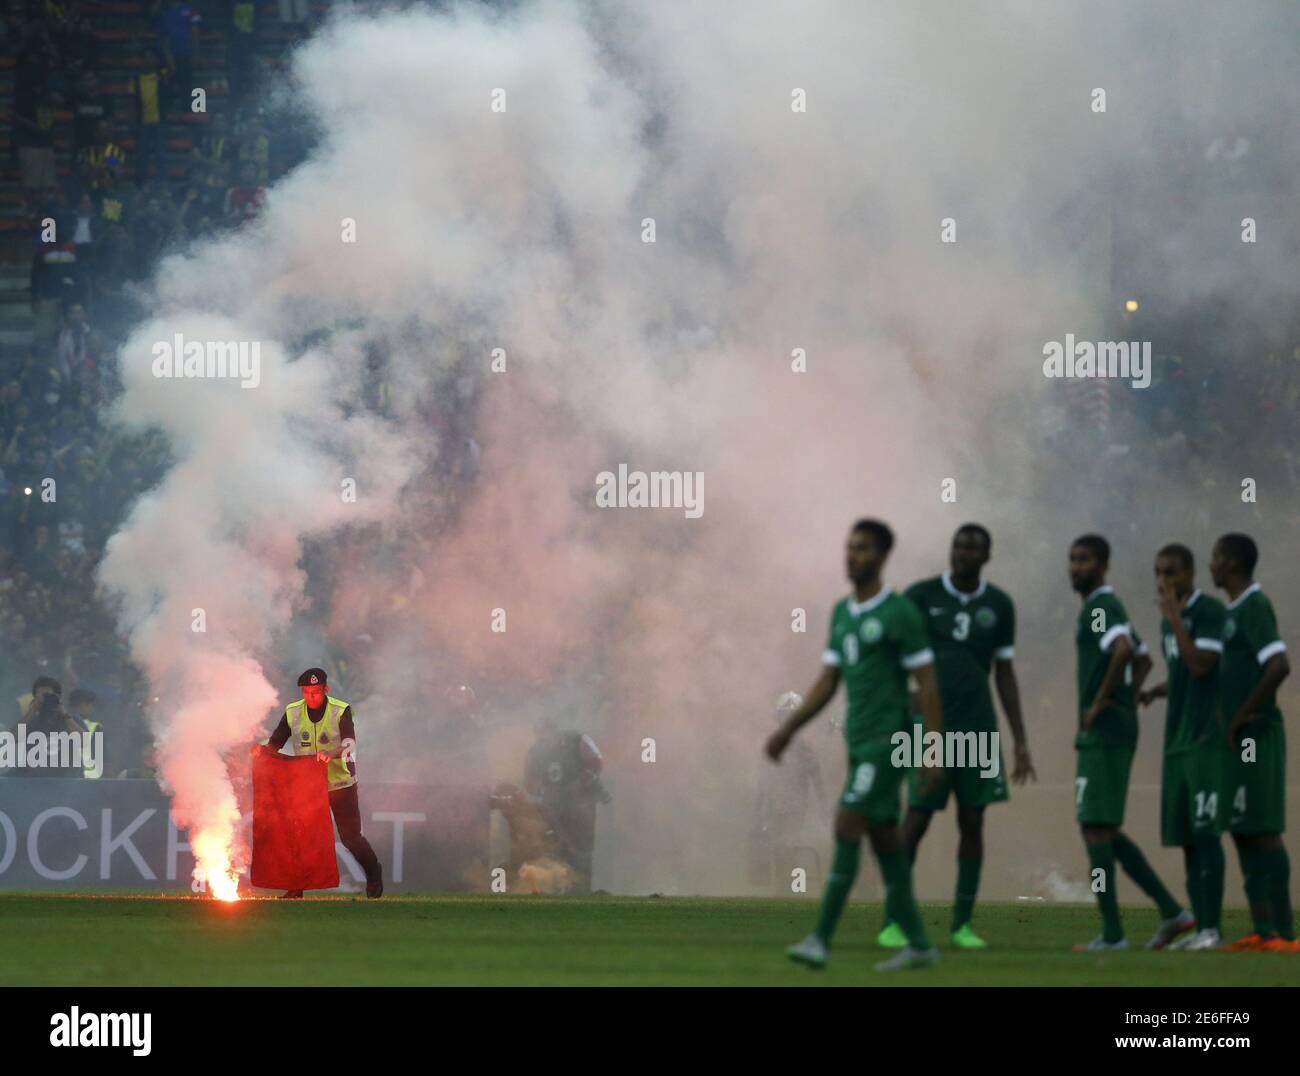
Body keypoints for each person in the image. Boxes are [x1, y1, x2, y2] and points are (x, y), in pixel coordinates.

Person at [768, 518, 943, 971]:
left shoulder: (900, 614)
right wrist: (789, 730)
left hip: (888, 743)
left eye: (863, 549)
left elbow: (927, 684)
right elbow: (828, 681)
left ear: (883, 556)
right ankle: (920, 944)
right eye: (849, 547)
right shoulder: (843, 614)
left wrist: (933, 750)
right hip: (860, 743)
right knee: (885, 841)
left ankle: (820, 938)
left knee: (847, 824)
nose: (852, 556)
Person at [878, 523, 1035, 950]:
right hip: (928, 727)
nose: (963, 553)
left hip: (979, 724)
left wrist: (1019, 739)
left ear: (987, 556)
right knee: (917, 819)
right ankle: (894, 920)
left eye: (973, 548)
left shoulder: (999, 605)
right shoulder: (921, 596)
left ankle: (962, 925)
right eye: (958, 545)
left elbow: (1004, 673)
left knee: (973, 820)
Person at [1069, 533, 1192, 951]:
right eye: (1072, 560)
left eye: (1084, 560)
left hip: (1104, 733)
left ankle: (1113, 933)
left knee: (1094, 829)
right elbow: (1142, 656)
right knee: (1102, 828)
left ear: (1103, 565)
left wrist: (1101, 703)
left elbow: (1122, 650)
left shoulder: (1101, 608)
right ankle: (1172, 912)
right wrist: (1130, 695)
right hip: (1111, 729)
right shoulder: (1102, 608)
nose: (1075, 567)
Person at [1138, 543, 1229, 950]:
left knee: (1207, 833)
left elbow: (1202, 666)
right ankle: (1200, 927)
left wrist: (1175, 619)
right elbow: (1182, 674)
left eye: (1172, 572)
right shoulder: (1165, 625)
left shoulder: (1208, 612)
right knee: (1188, 838)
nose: (1164, 581)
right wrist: (1158, 690)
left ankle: (1212, 929)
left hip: (1207, 739)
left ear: (1191, 573)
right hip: (1176, 739)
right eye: (1158, 572)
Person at [1209, 533, 1295, 951]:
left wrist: (1242, 715)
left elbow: (1279, 664)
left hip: (1256, 735)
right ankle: (1263, 930)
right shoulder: (1232, 612)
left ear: (1229, 562)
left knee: (1263, 829)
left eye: (1214, 558)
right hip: (1236, 736)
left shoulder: (1255, 606)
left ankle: (1287, 933)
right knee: (1242, 829)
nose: (1210, 565)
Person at [263, 668, 383, 898]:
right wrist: (262, 754)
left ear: (326, 690)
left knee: (351, 838)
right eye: (306, 692)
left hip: (341, 784)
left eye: (316, 692)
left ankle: (373, 872)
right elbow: (274, 744)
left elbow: (350, 744)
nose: (311, 697)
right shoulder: (293, 712)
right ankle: (296, 887)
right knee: (300, 837)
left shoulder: (340, 710)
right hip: (309, 787)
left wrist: (332, 752)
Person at [521, 717, 610, 893]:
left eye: (546, 733)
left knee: (581, 848)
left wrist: (579, 784)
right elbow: (529, 782)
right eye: (540, 735)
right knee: (555, 845)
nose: (544, 739)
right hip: (553, 807)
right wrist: (543, 792)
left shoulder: (577, 740)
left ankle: (581, 888)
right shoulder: (535, 751)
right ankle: (554, 887)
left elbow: (597, 762)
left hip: (582, 805)